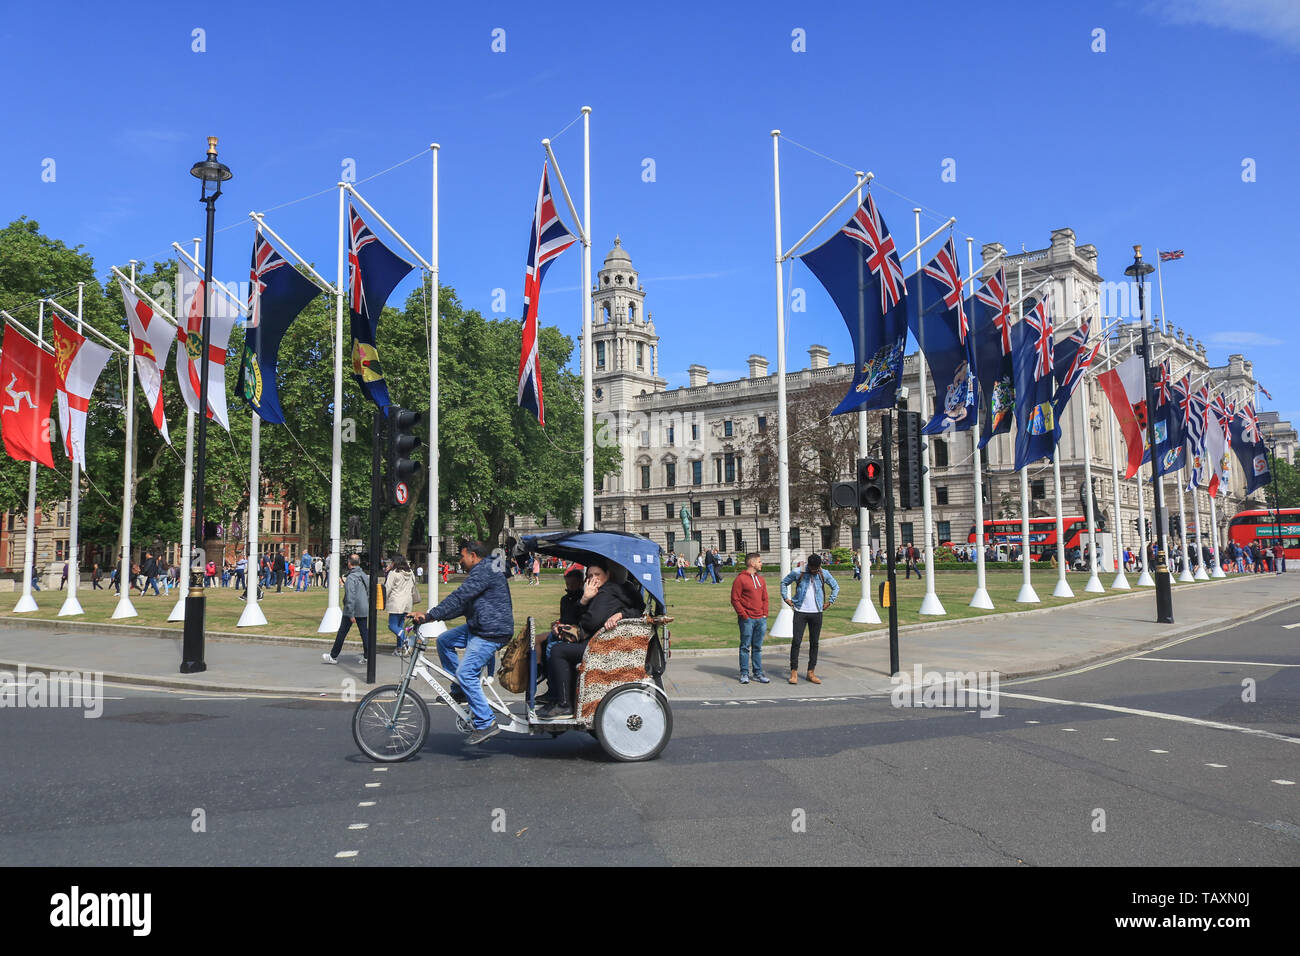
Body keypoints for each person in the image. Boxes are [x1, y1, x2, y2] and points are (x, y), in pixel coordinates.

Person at [410, 540, 515, 746]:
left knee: (466, 672)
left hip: (491, 631)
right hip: (480, 626)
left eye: (462, 556)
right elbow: (462, 605)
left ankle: (486, 722)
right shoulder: (484, 570)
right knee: (444, 641)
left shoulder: (484, 571)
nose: (460, 560)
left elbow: (459, 598)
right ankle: (460, 690)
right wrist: (432, 617)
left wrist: (430, 615)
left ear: (474, 556)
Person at [538, 558, 644, 720]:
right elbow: (577, 620)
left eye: (598, 574)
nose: (594, 579)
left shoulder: (608, 592)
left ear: (607, 574)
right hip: (597, 641)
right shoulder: (604, 591)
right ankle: (556, 695)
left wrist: (620, 613)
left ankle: (564, 703)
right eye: (590, 575)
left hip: (601, 646)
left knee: (559, 650)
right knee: (554, 643)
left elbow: (590, 621)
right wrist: (585, 600)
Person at [780, 552, 839, 685]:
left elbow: (835, 586)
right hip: (800, 611)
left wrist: (830, 602)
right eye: (812, 568)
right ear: (808, 565)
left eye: (816, 569)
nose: (814, 571)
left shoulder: (824, 573)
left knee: (815, 643)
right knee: (796, 641)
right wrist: (786, 598)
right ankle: (793, 672)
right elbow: (784, 582)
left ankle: (811, 672)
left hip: (817, 612)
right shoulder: (798, 572)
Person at [534, 567, 587, 706]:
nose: (570, 587)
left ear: (581, 583)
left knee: (552, 647)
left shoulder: (583, 599)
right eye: (568, 584)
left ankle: (554, 689)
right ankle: (540, 669)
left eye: (573, 584)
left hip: (574, 634)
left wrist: (562, 627)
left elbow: (578, 621)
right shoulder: (565, 599)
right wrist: (557, 625)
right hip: (564, 630)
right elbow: (564, 618)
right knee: (541, 639)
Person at [322, 554, 373, 666]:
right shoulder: (364, 575)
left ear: (350, 563)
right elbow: (369, 591)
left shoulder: (351, 578)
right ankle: (368, 655)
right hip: (363, 607)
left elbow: (350, 596)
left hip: (353, 608)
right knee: (364, 633)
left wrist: (350, 613)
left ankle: (333, 655)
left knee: (342, 632)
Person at [730, 551, 770, 685]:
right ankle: (744, 673)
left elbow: (765, 598)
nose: (761, 563)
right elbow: (735, 599)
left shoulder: (761, 580)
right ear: (752, 563)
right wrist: (744, 615)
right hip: (747, 619)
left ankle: (758, 673)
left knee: (758, 647)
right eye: (759, 561)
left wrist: (764, 614)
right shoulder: (740, 579)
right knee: (745, 647)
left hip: (761, 619)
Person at [384, 556, 420, 654]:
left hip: (396, 602)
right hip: (407, 602)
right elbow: (413, 587)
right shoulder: (410, 572)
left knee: (392, 625)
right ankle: (399, 648)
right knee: (400, 626)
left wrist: (383, 600)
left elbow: (388, 588)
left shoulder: (394, 573)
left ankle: (406, 639)